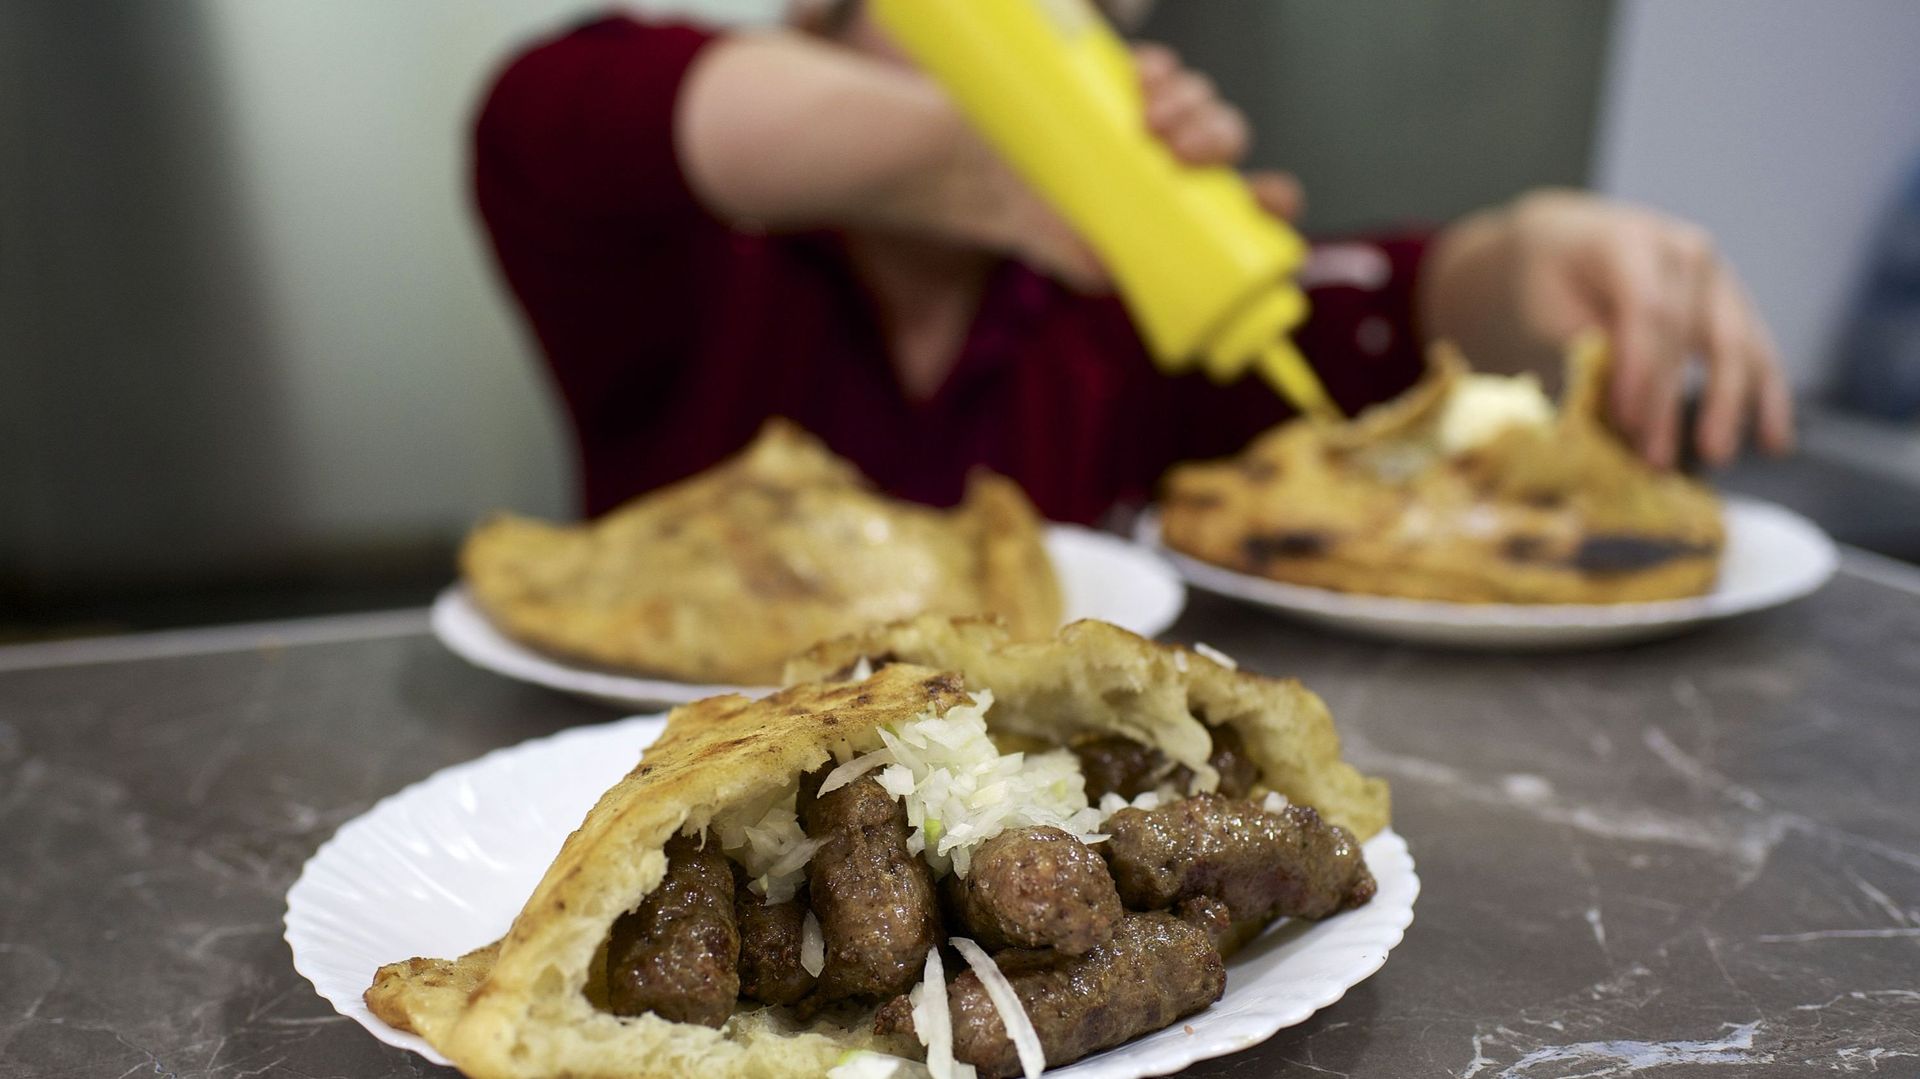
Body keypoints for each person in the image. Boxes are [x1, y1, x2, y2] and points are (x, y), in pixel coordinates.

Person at [473, 0, 1795, 524]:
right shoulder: (686, 261)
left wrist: (1534, 255)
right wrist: (993, 145)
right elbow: (563, 118)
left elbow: (1374, 313)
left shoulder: (1114, 318)